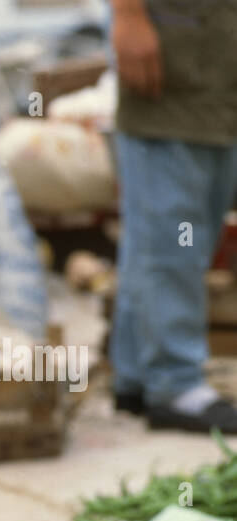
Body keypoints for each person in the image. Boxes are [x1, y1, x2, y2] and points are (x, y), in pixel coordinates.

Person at [108, 0, 237, 431]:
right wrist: (127, 13)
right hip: (170, 63)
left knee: (154, 238)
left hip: (217, 75)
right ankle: (176, 382)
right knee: (172, 239)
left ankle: (136, 376)